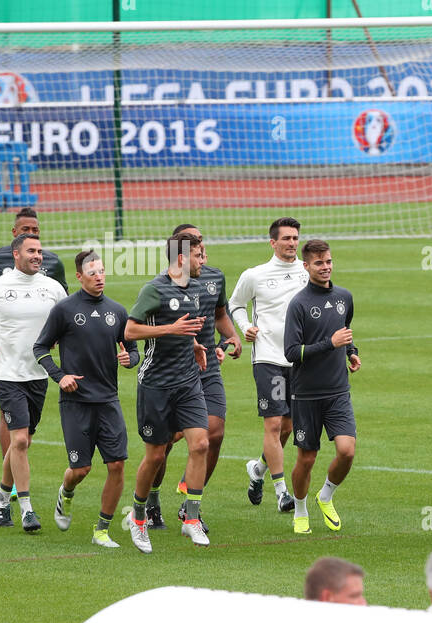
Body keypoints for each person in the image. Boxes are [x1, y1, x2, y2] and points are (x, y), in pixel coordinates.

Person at [32, 250, 140, 548]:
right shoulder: (64, 310)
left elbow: (133, 350)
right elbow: (40, 348)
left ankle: (102, 530)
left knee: (117, 465)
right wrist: (60, 376)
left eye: (102, 271)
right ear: (79, 276)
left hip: (108, 401)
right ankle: (65, 493)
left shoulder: (117, 311)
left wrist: (129, 358)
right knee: (81, 469)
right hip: (76, 402)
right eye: (92, 273)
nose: (99, 277)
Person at [0, 234, 66, 533]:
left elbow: (69, 318)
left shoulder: (52, 287)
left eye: (40, 251)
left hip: (38, 373)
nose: (37, 256)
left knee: (25, 441)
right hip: (6, 373)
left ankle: (0, 496)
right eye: (31, 251)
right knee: (19, 440)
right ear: (16, 254)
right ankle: (27, 510)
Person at [148, 222, 241, 532]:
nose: (201, 246)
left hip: (206, 369)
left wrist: (232, 337)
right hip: (173, 370)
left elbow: (219, 315)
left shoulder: (213, 278)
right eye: (194, 242)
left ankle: (191, 505)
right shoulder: (163, 286)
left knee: (212, 434)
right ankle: (151, 497)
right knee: (162, 445)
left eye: (201, 239)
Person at [124, 231, 211, 552]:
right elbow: (130, 330)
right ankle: (138, 516)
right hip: (156, 384)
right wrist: (170, 329)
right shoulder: (155, 289)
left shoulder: (197, 289)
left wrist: (194, 343)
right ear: (180, 259)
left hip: (188, 381)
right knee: (156, 454)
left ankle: (191, 518)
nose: (204, 260)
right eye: (199, 254)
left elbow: (183, 326)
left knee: (200, 443)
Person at [0, 208, 69, 469]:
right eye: (25, 230)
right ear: (14, 233)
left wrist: (56, 331)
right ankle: (13, 483)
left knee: (26, 429)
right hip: (6, 352)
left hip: (39, 355)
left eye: (35, 230)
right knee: (10, 416)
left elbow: (65, 303)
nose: (31, 234)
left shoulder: (53, 263)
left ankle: (11, 474)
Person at [229, 217, 307, 515]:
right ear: (272, 242)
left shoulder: (306, 271)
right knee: (274, 423)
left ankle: (258, 470)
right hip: (268, 358)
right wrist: (246, 326)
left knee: (288, 426)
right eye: (286, 238)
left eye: (295, 238)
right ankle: (281, 492)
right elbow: (235, 304)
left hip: (298, 359)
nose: (291, 243)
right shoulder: (255, 275)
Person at [283, 239, 360, 534]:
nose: (325, 267)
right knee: (307, 458)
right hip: (306, 393)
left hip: (338, 390)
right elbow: (292, 352)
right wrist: (331, 344)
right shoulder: (299, 304)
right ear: (306, 266)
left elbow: (344, 333)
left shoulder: (344, 297)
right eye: (318, 263)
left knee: (347, 451)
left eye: (328, 261)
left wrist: (351, 351)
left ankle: (325, 495)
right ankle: (300, 509)